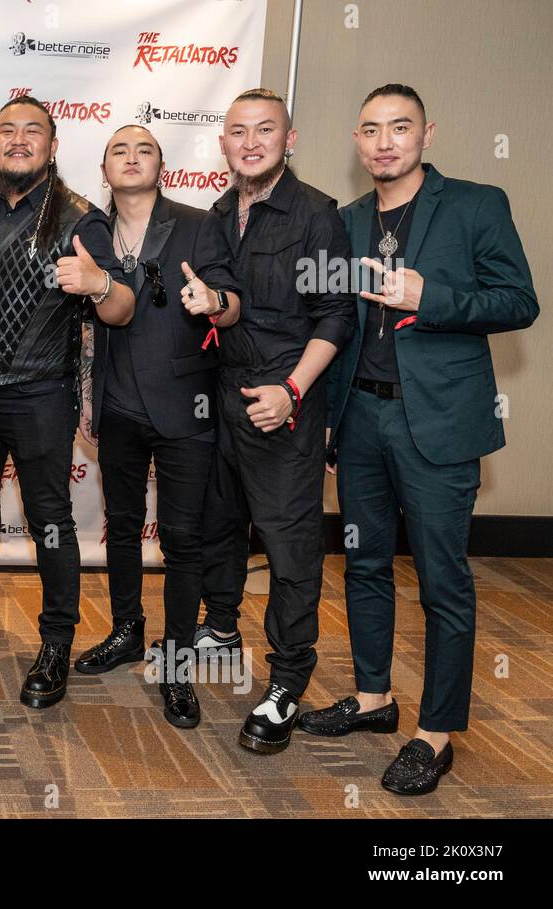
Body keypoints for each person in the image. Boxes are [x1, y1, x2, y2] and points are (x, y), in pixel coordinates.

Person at [299, 84, 538, 794]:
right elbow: (336, 323)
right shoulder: (344, 221)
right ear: (356, 140)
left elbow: (518, 300)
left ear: (426, 134)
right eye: (370, 129)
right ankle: (374, 699)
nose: (384, 142)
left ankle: (435, 732)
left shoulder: (475, 203)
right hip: (361, 418)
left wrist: (427, 297)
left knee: (442, 581)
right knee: (366, 565)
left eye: (399, 127)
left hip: (434, 420)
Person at [0, 96, 136, 709]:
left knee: (51, 521)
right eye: (5, 130)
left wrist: (102, 285)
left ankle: (57, 638)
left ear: (53, 146)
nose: (18, 140)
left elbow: (121, 307)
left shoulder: (82, 217)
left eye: (32, 130)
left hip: (42, 390)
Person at [197, 88, 357, 753]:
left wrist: (292, 390)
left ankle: (288, 678)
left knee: (291, 551)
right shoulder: (215, 213)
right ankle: (222, 625)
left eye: (266, 130)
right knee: (220, 524)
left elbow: (336, 317)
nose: (252, 141)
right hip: (221, 402)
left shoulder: (317, 214)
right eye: (239, 131)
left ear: (289, 140)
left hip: (283, 407)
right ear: (224, 145)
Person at [75, 125, 240, 728]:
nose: (132, 157)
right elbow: (86, 325)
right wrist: (89, 394)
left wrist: (215, 301)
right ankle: (126, 632)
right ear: (105, 168)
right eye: (120, 150)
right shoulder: (91, 231)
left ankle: (173, 660)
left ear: (161, 166)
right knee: (120, 528)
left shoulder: (199, 223)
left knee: (181, 539)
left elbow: (232, 298)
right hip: (116, 404)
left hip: (184, 405)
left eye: (144, 149)